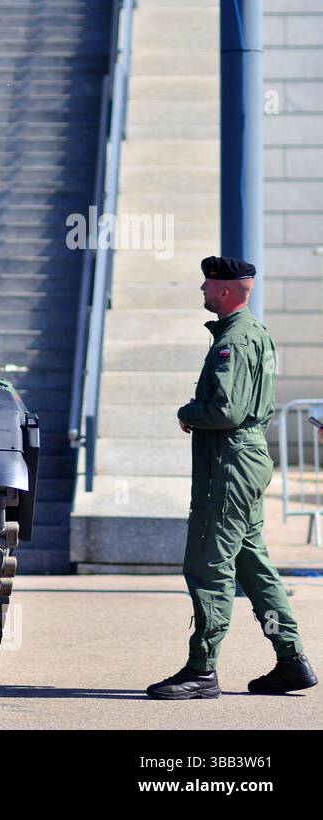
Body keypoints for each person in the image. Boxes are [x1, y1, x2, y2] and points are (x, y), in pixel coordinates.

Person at [147, 255, 316, 699]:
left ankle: (202, 670)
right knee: (252, 564)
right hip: (245, 459)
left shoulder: (234, 341)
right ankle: (290, 659)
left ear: (225, 291)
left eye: (207, 285)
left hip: (228, 462)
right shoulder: (255, 333)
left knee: (208, 564)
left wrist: (187, 413)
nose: (202, 291)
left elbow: (226, 410)